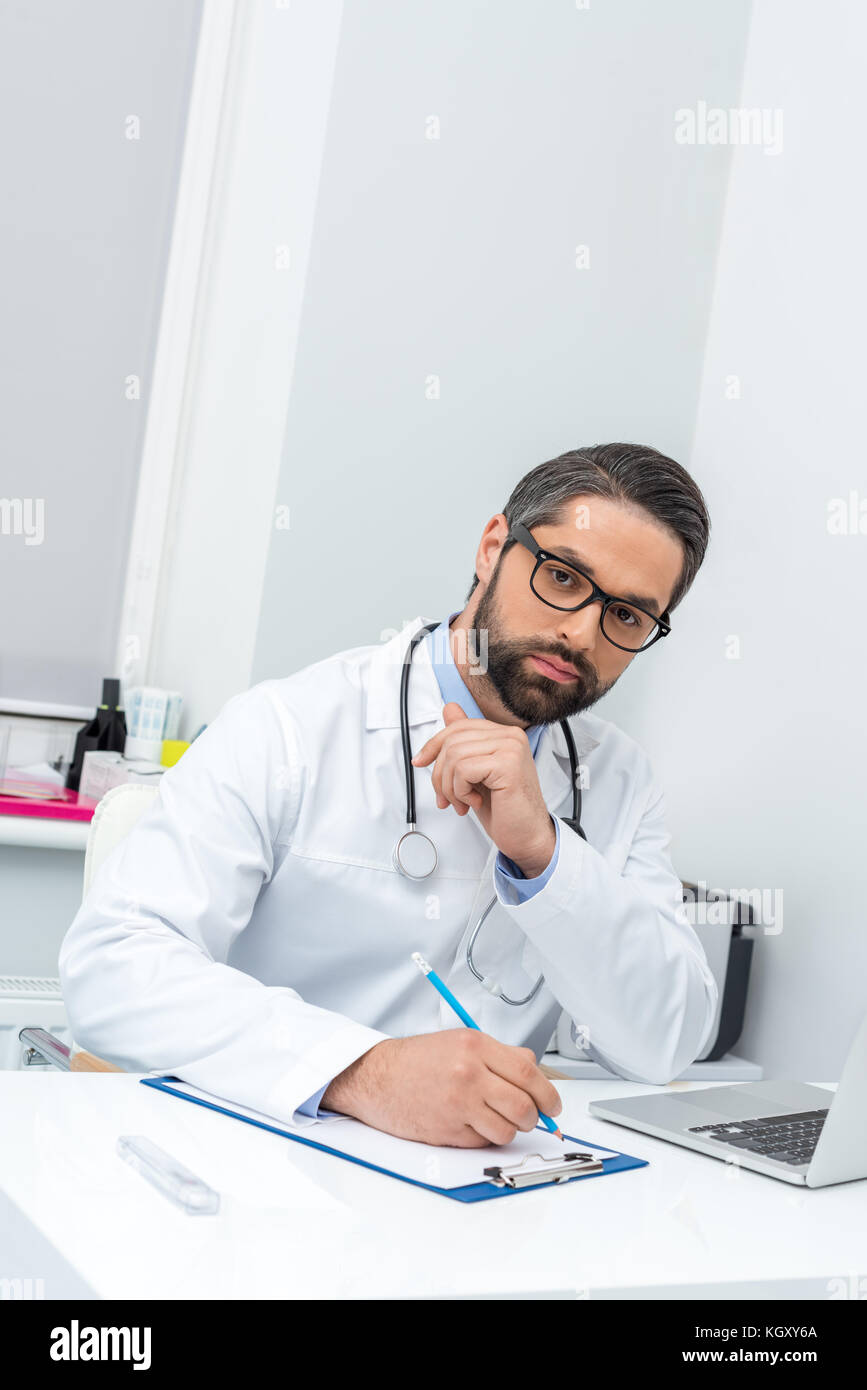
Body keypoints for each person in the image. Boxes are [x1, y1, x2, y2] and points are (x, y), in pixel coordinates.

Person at [60, 443, 718, 1149]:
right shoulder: (289, 728)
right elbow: (113, 966)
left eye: (626, 616)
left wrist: (545, 856)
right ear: (493, 547)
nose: (580, 632)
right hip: (257, 1164)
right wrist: (362, 1072)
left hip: (488, 1195)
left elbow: (665, 1042)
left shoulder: (617, 781)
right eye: (562, 577)